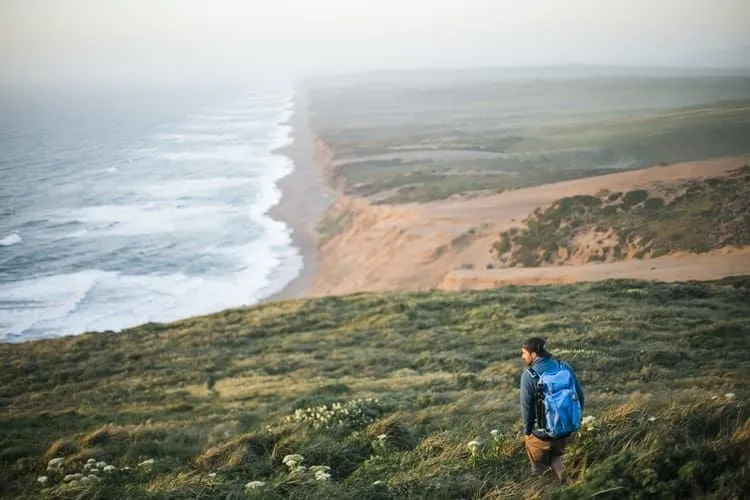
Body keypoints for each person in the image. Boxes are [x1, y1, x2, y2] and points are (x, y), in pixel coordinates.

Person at [520, 337, 584, 484]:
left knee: (538, 469)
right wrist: (575, 419)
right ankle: (568, 487)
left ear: (534, 354)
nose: (523, 357)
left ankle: (544, 491)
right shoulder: (564, 366)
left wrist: (528, 432)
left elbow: (527, 408)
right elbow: (579, 395)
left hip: (541, 433)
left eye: (524, 353)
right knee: (556, 457)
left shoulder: (529, 376)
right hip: (564, 427)